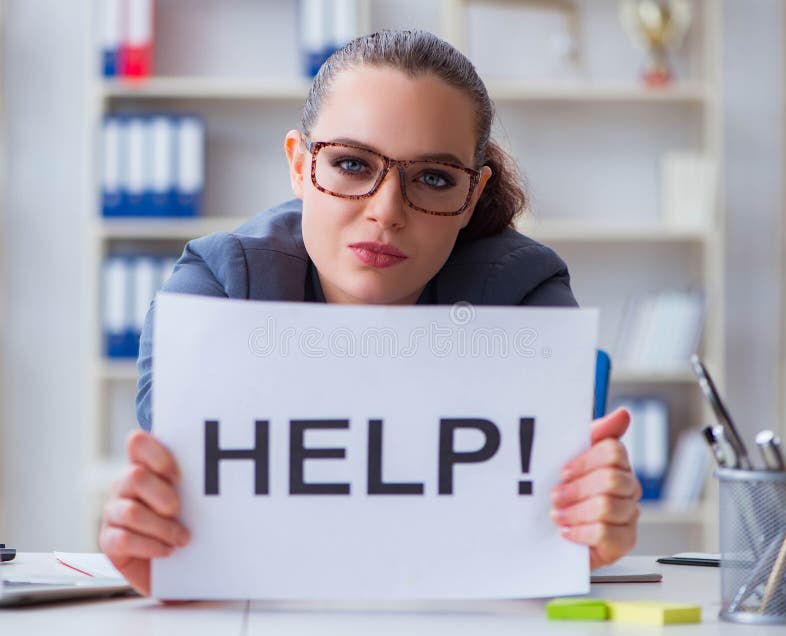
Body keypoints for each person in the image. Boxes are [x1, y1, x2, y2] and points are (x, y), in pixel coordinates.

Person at [99, 29, 641, 597]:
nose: (386, 213)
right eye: (352, 164)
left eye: (433, 178)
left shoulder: (525, 293)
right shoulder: (218, 285)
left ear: (473, 197)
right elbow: (197, 505)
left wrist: (586, 527)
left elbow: (544, 516)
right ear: (299, 165)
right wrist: (158, 544)